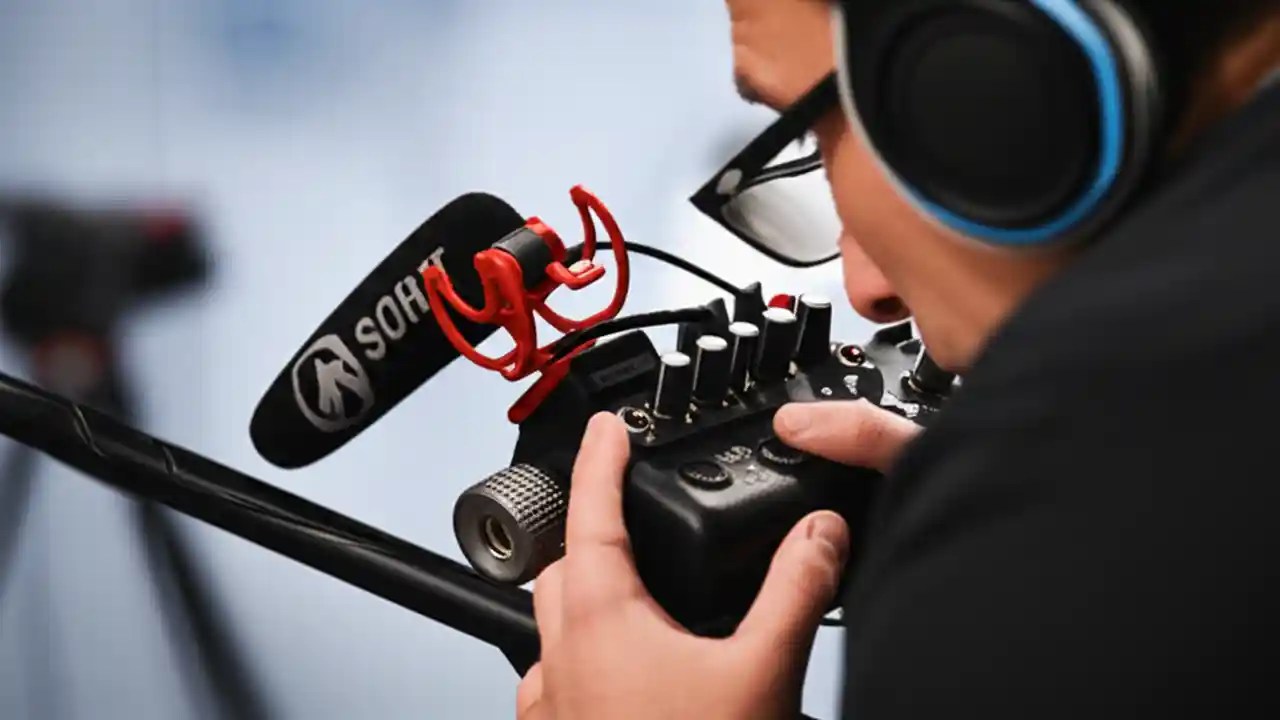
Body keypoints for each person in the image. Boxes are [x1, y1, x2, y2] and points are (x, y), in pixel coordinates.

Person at [517, 1, 1280, 717]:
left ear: (989, 70)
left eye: (816, 134)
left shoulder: (1044, 520)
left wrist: (999, 563)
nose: (867, 291)